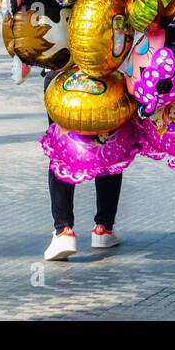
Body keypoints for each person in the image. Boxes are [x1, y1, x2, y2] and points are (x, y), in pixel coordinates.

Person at [43, 75, 124, 262]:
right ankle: (104, 227)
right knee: (108, 149)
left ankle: (64, 231)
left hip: (61, 81)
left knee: (64, 151)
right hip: (106, 81)